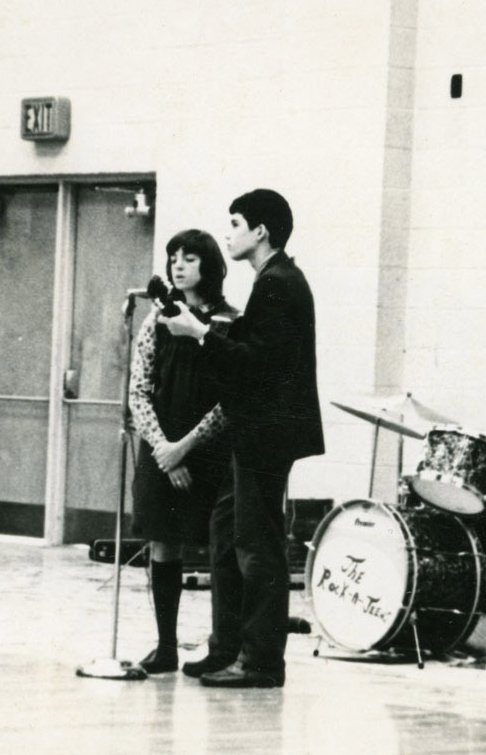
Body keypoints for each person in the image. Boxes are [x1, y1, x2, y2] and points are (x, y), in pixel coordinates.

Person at [159, 189, 323, 688]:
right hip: (256, 433)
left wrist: (199, 335)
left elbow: (255, 365)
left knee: (257, 548)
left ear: (260, 232)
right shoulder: (275, 281)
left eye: (235, 224)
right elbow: (253, 351)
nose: (229, 233)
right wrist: (204, 332)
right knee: (228, 535)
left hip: (264, 435)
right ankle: (226, 647)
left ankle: (262, 662)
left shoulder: (277, 284)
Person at [128, 229, 239, 674]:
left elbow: (232, 399)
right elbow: (139, 389)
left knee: (220, 549)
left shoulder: (229, 321)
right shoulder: (156, 318)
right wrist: (163, 449)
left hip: (207, 450)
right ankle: (165, 645)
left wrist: (185, 449)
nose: (178, 265)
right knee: (163, 544)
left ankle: (222, 647)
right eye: (173, 257)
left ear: (208, 265)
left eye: (189, 258)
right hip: (162, 448)